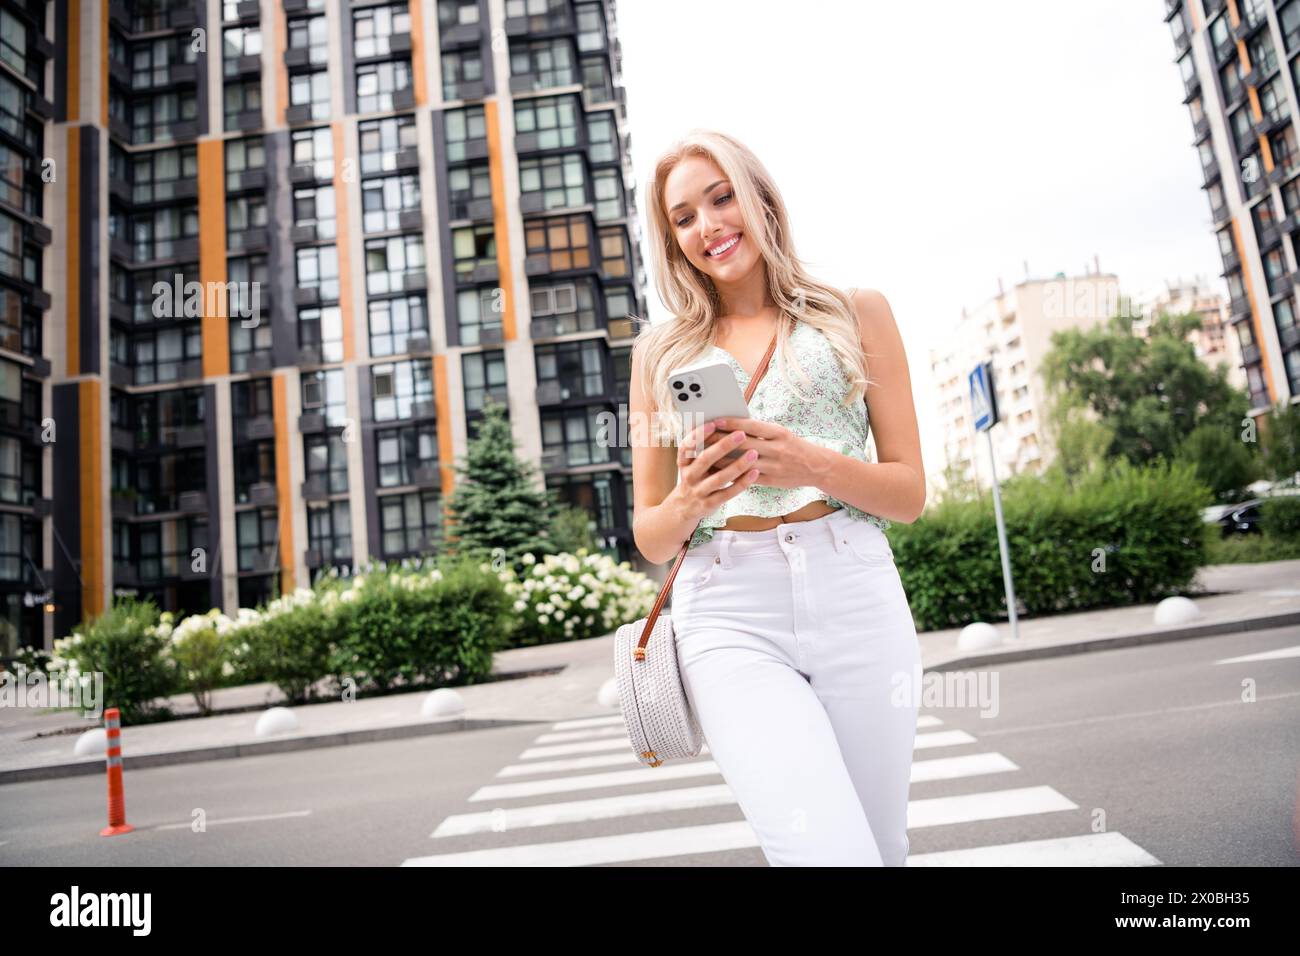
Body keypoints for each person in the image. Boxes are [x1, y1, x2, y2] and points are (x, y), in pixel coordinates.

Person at [628, 129, 926, 866]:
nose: (709, 226)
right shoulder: (662, 354)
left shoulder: (854, 313)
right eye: (685, 217)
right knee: (825, 851)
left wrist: (812, 464)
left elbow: (910, 492)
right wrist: (692, 498)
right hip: (728, 607)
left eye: (721, 197)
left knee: (880, 849)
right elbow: (651, 534)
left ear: (760, 198)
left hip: (854, 585)